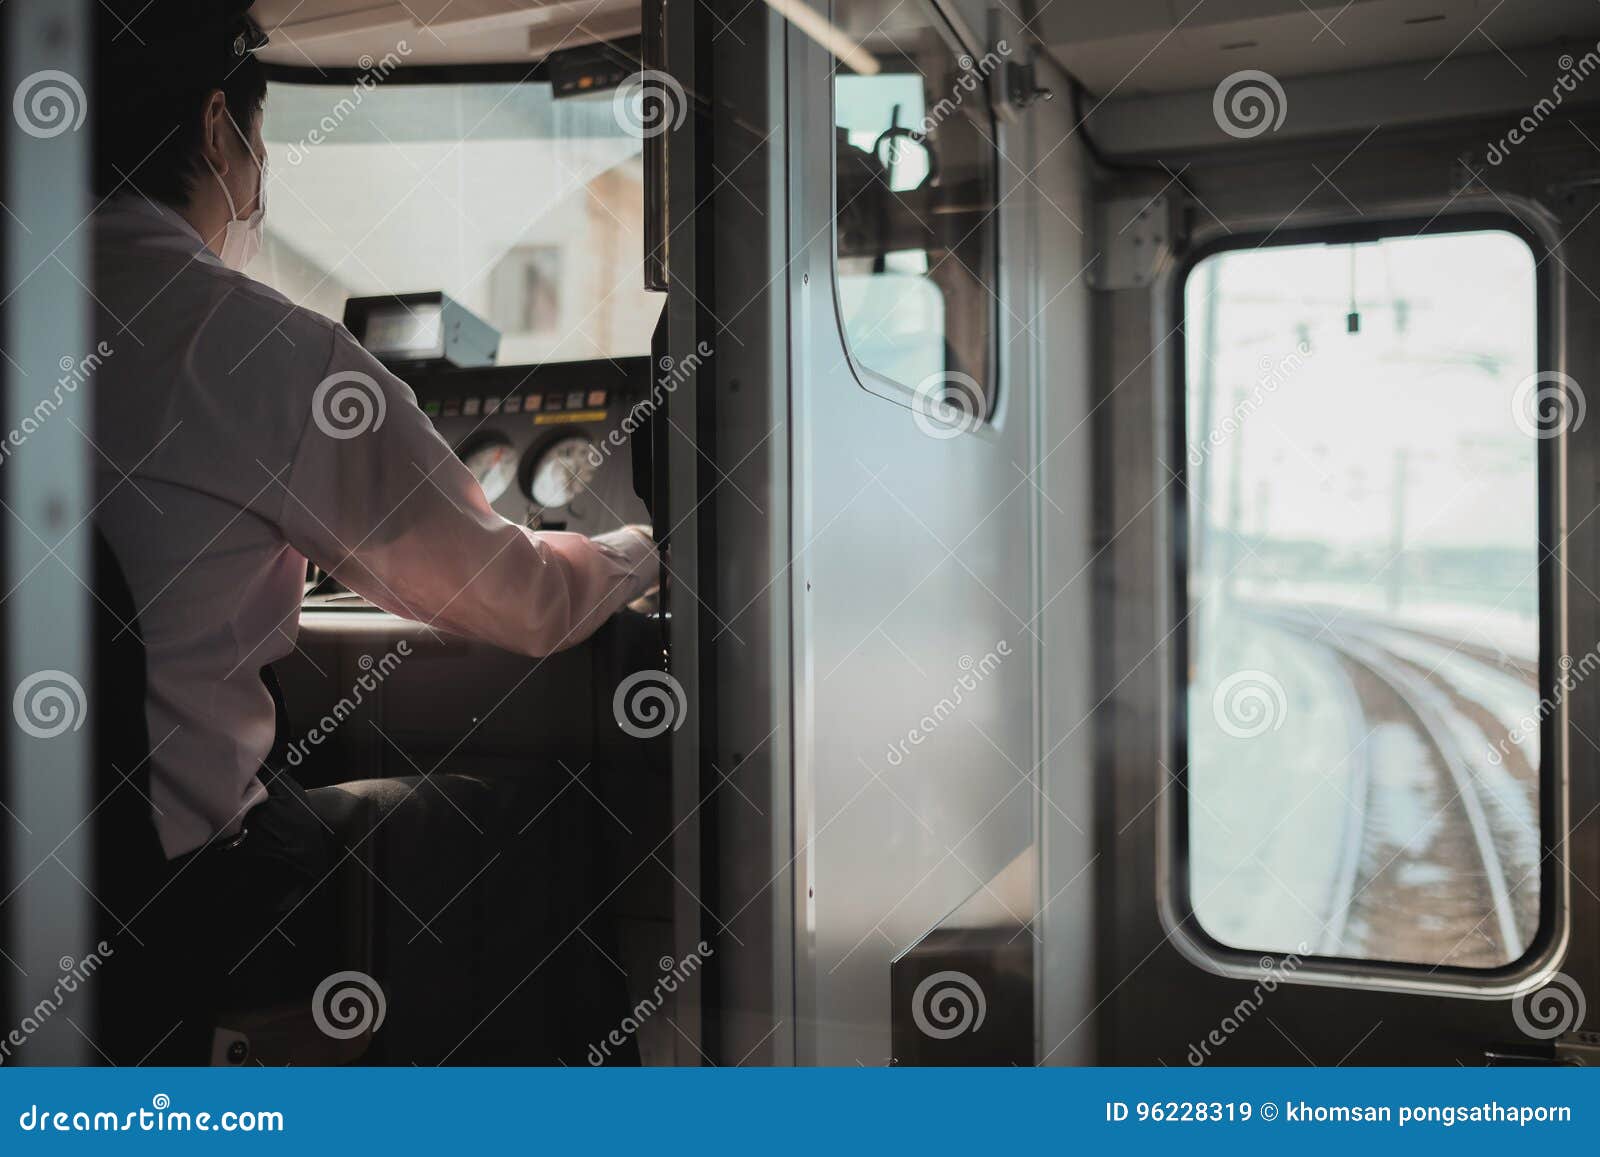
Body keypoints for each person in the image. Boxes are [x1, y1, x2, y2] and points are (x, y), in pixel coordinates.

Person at [85, 1, 657, 1063]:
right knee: (514, 821)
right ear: (220, 131)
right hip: (172, 893)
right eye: (260, 142)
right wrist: (640, 550)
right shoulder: (251, 346)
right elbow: (523, 604)